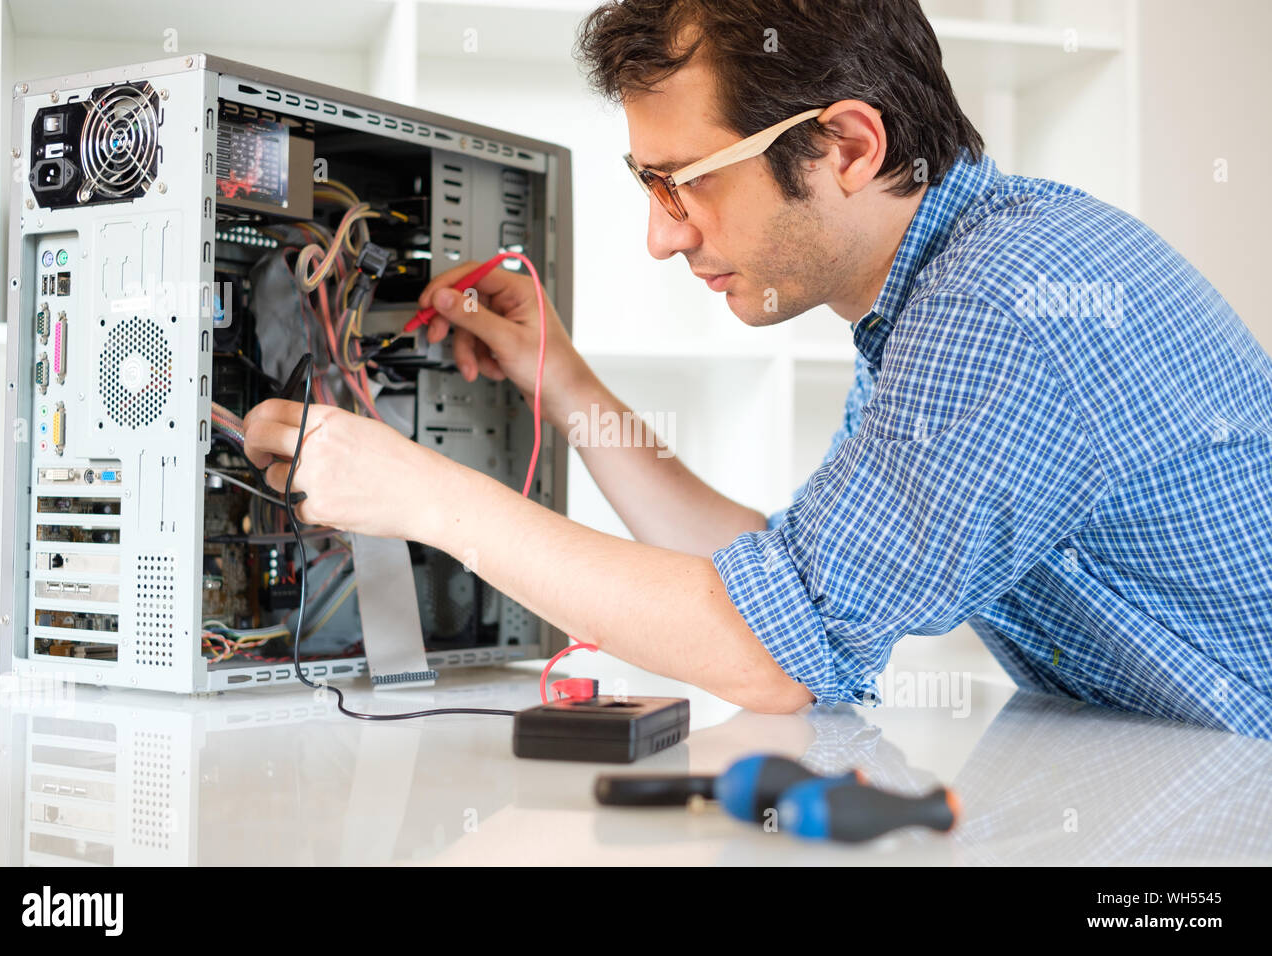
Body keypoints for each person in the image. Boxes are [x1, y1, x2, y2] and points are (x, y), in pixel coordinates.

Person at [244, 0, 1272, 737]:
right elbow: (783, 582)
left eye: (679, 182)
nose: (660, 236)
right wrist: (563, 384)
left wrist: (419, 494)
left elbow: (775, 653)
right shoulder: (952, 284)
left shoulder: (1004, 304)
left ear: (846, 146)